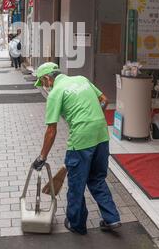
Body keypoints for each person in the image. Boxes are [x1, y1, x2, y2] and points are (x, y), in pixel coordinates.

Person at [32, 62, 121, 235]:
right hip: (102, 135)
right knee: (97, 179)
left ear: (47, 78)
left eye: (43, 83)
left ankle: (77, 224)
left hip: (81, 141)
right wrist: (94, 119)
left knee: (76, 184)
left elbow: (51, 130)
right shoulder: (81, 79)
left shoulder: (56, 93)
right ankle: (112, 218)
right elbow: (104, 100)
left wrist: (42, 157)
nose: (44, 86)